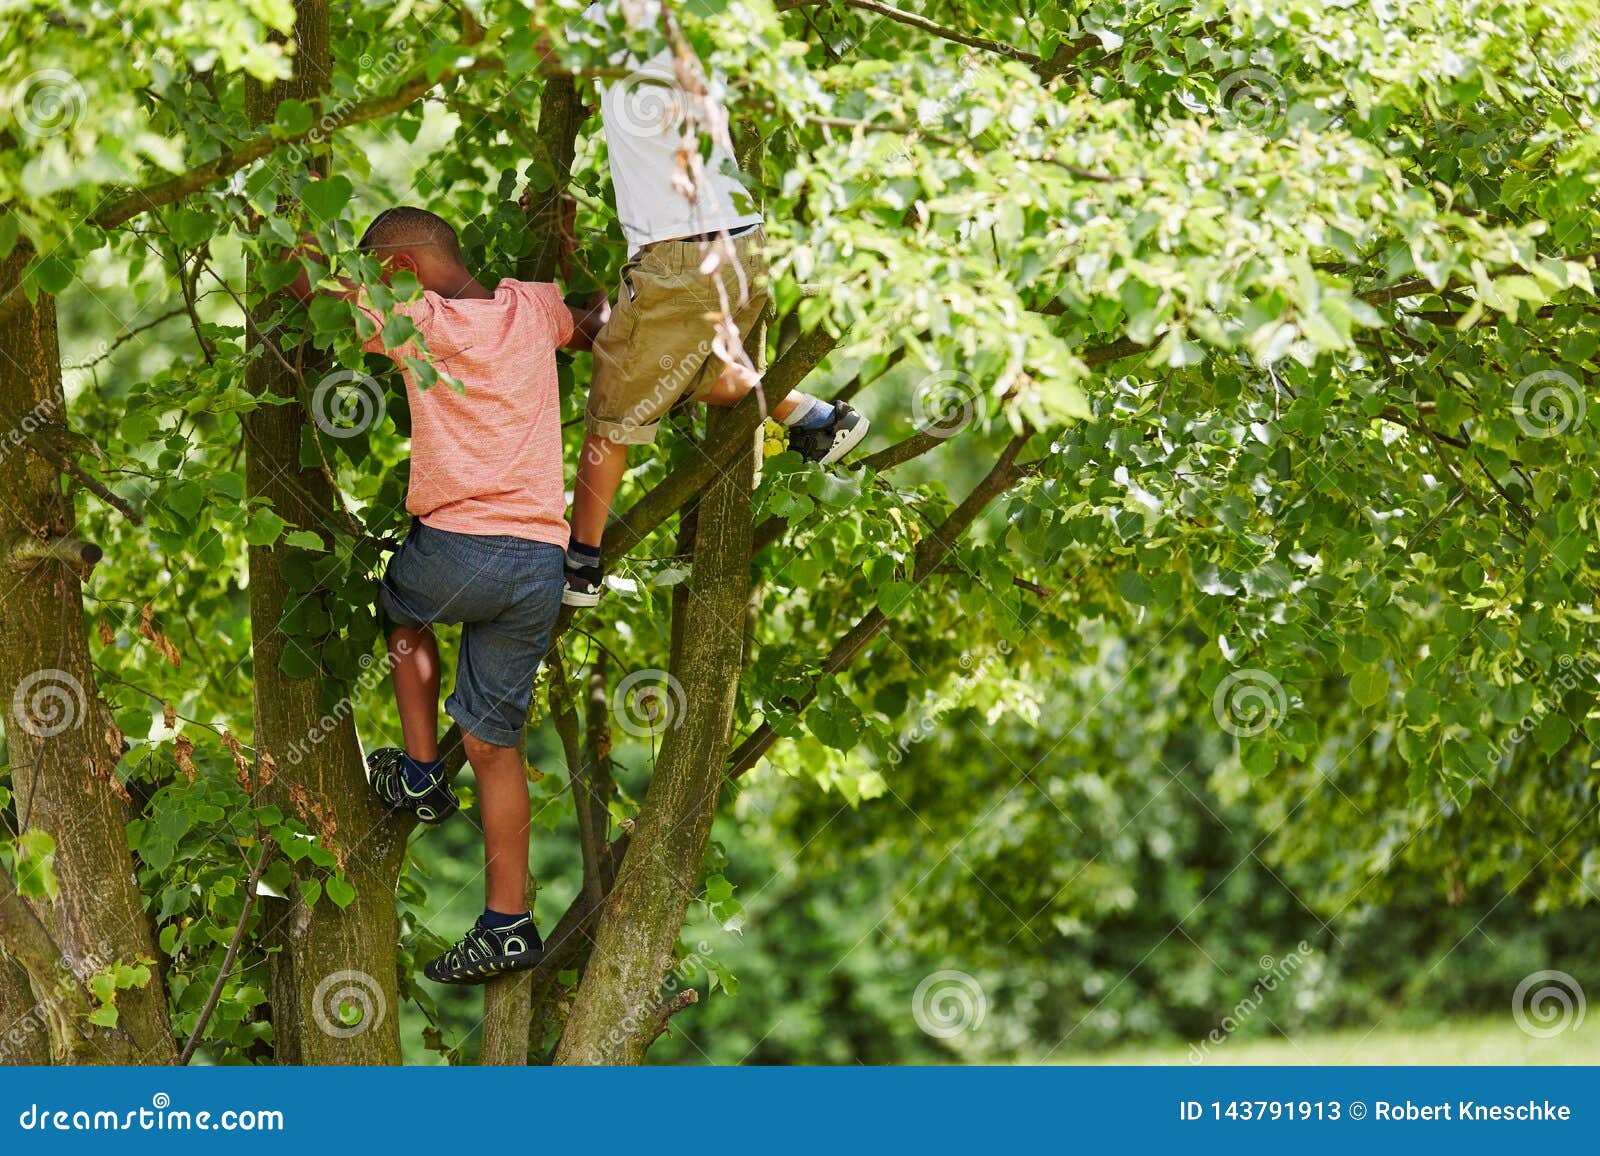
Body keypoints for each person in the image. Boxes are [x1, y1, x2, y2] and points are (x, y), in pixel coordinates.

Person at [290, 206, 603, 984]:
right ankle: (507, 924)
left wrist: (289, 198)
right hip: (539, 562)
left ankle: (423, 769)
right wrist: (571, 252)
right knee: (497, 746)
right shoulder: (531, 308)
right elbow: (597, 321)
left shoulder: (412, 318)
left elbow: (307, 285)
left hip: (457, 552)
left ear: (396, 270)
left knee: (400, 606)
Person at [561, 7, 871, 607]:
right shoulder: (704, 26)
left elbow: (540, 45)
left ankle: (579, 569)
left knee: (613, 404)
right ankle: (818, 418)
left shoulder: (612, 15)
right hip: (743, 245)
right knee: (682, 373)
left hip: (681, 255)